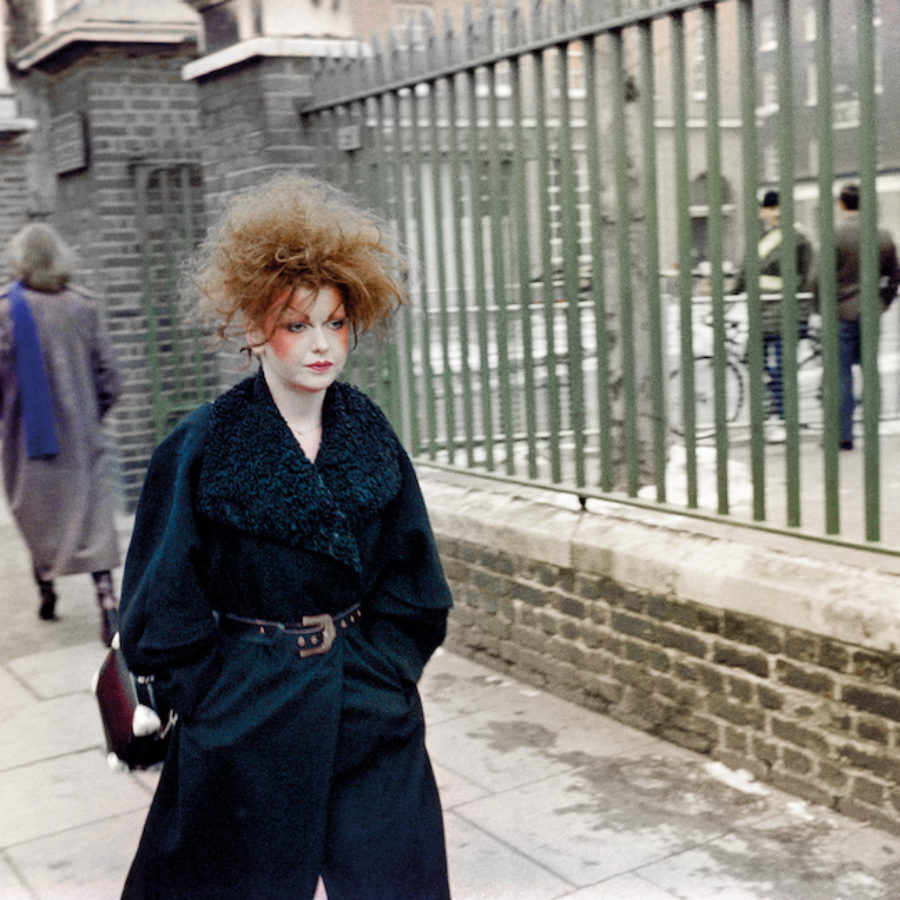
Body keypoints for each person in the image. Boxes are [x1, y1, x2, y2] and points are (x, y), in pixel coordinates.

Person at [117, 173, 453, 900]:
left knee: (395, 881)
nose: (321, 344)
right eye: (296, 324)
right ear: (251, 330)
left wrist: (388, 667)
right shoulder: (204, 446)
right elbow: (159, 596)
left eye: (335, 322)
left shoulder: (369, 434)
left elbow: (415, 575)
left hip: (367, 702)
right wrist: (209, 695)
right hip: (248, 710)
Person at [0, 223, 121, 643]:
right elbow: (109, 377)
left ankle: (46, 590)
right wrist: (89, 416)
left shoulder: (5, 310)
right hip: (82, 438)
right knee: (92, 521)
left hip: (29, 442)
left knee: (37, 514)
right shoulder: (81, 306)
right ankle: (107, 602)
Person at [814, 182, 900, 450]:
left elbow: (817, 278)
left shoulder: (833, 235)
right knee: (870, 370)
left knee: (841, 375)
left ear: (841, 204)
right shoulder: (883, 235)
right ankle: (873, 429)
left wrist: (819, 310)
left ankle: (843, 434)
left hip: (840, 312)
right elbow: (895, 275)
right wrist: (884, 301)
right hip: (871, 310)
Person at [733, 190, 815, 429]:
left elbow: (809, 276)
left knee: (782, 366)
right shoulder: (759, 237)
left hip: (785, 311)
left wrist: (802, 312)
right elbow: (745, 272)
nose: (772, 213)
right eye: (769, 208)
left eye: (775, 208)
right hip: (760, 310)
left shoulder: (799, 238)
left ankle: (783, 416)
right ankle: (779, 406)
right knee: (752, 359)